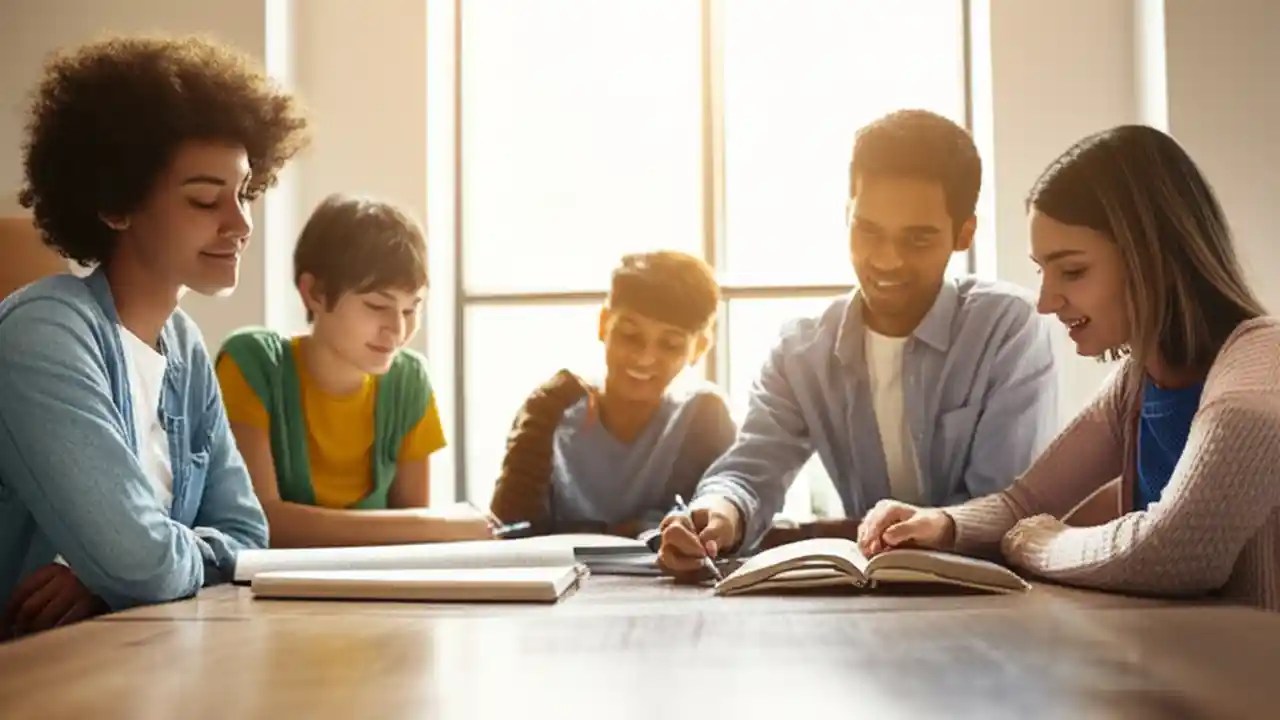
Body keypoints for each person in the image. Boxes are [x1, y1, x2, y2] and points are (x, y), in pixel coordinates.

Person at [856, 125, 1280, 611]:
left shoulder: (1261, 372)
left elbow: (1179, 552)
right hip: (1174, 671)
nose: (1045, 301)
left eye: (1072, 271)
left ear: (1152, 258)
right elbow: (1025, 504)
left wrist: (1037, 543)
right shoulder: (1136, 383)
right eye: (1043, 271)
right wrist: (942, 525)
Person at [659, 109, 1059, 575]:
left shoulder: (1008, 328)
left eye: (918, 239)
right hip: (869, 595)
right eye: (867, 230)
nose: (887, 260)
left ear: (963, 234)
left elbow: (1008, 503)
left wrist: (940, 525)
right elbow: (751, 468)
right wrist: (719, 514)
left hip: (990, 595)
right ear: (846, 215)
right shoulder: (802, 351)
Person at [0, 35, 308, 637]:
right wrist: (129, 567)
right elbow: (140, 564)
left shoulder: (185, 347)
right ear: (116, 205)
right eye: (204, 199)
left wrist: (108, 574)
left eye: (243, 192)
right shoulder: (43, 334)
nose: (241, 223)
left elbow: (249, 534)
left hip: (137, 653)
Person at [217, 194, 492, 547]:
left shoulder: (409, 381)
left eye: (411, 309)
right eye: (378, 305)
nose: (397, 329)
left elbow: (412, 543)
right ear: (314, 292)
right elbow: (261, 523)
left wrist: (427, 527)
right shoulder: (253, 362)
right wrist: (444, 524)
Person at [490, 251, 736, 540]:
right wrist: (630, 531)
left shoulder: (703, 416)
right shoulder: (551, 406)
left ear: (700, 347)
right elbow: (510, 526)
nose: (644, 358)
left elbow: (700, 527)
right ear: (603, 323)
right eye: (630, 335)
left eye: (670, 345)